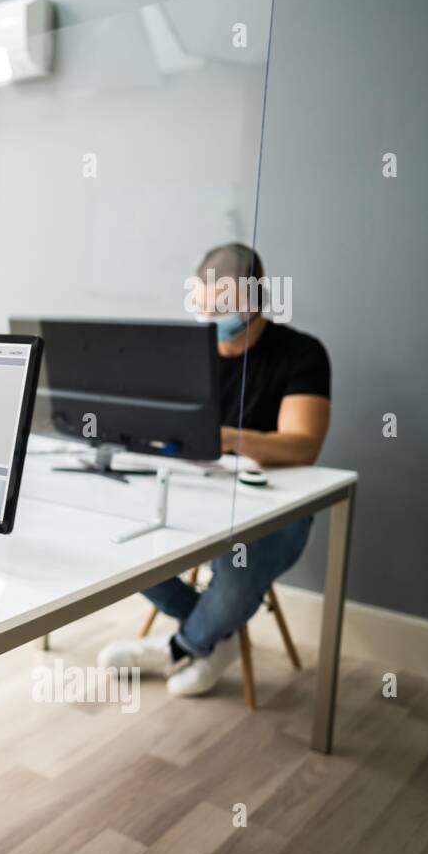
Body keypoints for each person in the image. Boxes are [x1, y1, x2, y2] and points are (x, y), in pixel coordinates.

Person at [99, 243, 331, 696]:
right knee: (118, 538)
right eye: (203, 305)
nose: (210, 317)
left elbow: (303, 446)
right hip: (190, 490)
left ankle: (178, 647)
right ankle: (213, 634)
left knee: (240, 564)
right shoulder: (187, 354)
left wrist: (223, 436)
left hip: (273, 507)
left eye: (222, 306)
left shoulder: (301, 353)